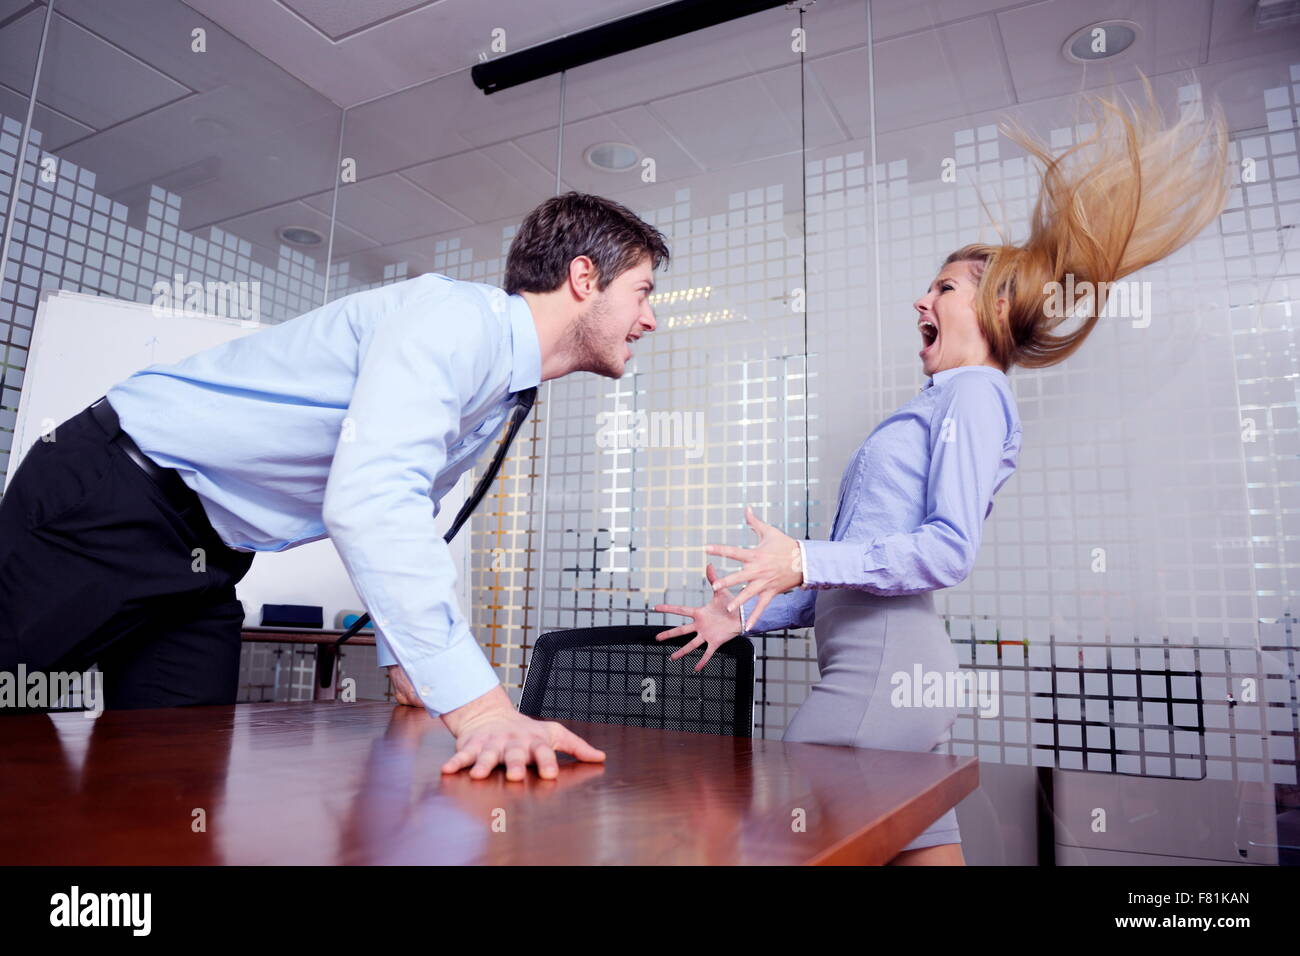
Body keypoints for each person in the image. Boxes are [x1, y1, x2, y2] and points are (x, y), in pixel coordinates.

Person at [654, 75, 1230, 864]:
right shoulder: (945, 400)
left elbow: (947, 549)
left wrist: (802, 558)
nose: (921, 300)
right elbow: (847, 582)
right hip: (895, 676)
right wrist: (747, 612)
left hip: (882, 679)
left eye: (944, 287)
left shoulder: (975, 394)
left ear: (993, 308)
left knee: (772, 847)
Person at [0, 191, 669, 782]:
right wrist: (482, 709)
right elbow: (370, 502)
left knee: (174, 772)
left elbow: (410, 511)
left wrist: (407, 657)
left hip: (202, 557)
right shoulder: (457, 323)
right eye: (642, 291)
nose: (650, 319)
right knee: (16, 727)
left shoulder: (499, 383)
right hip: (107, 498)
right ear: (585, 277)